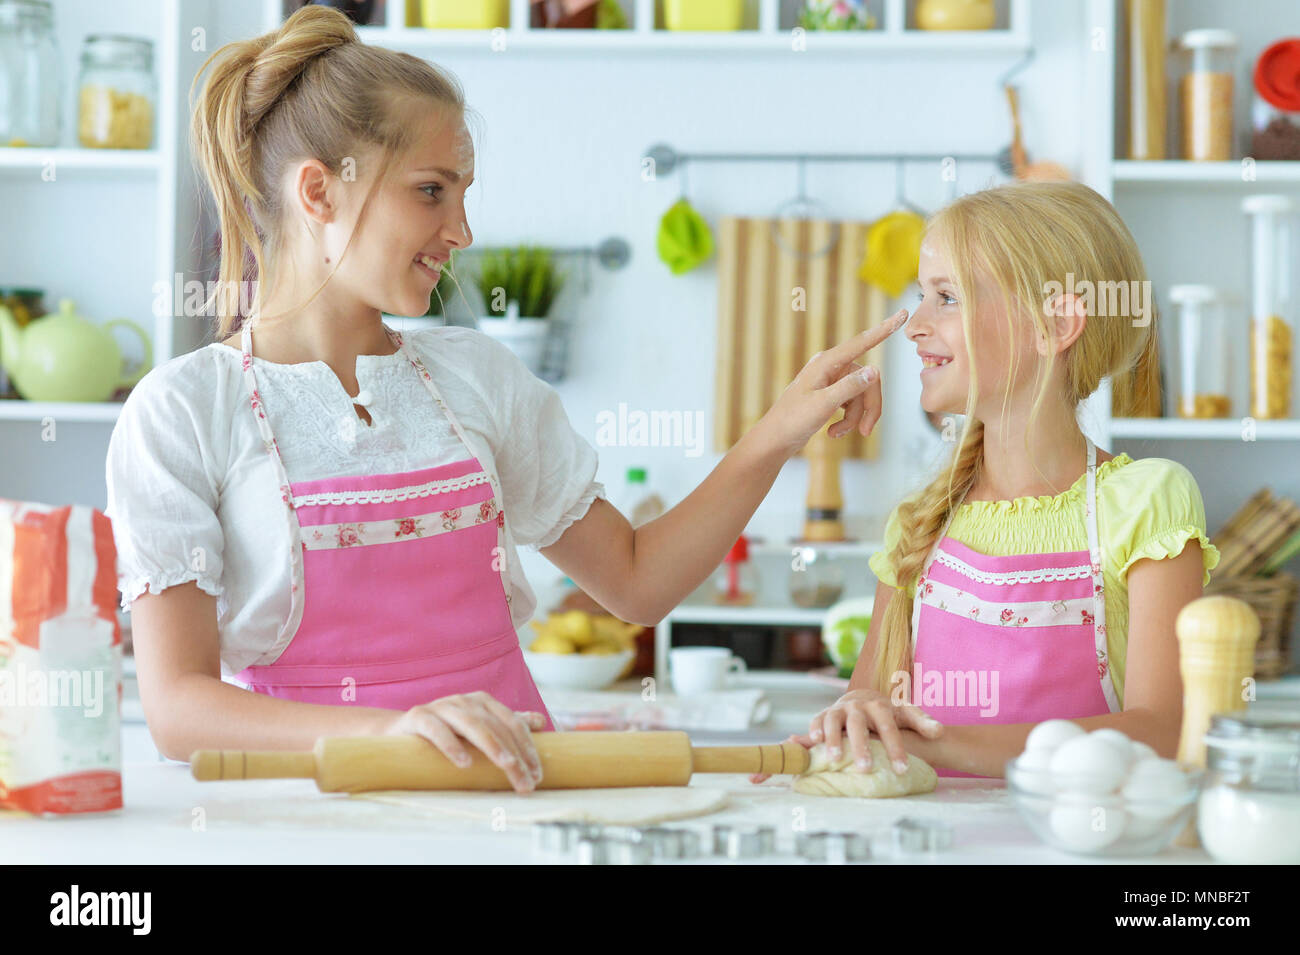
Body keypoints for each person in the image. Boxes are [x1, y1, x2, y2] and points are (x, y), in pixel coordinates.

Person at [104, 5, 906, 793]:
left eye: (463, 194)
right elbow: (178, 708)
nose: (462, 230)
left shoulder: (475, 379)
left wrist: (778, 430)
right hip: (322, 826)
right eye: (431, 191)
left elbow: (636, 581)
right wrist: (392, 731)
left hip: (515, 807)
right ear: (319, 191)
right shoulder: (184, 411)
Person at [759, 180, 1220, 782]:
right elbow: (868, 700)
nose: (915, 325)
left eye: (947, 298)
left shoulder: (1145, 503)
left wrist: (941, 747)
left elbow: (1159, 731)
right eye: (923, 296)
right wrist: (851, 718)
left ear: (1054, 326)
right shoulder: (920, 524)